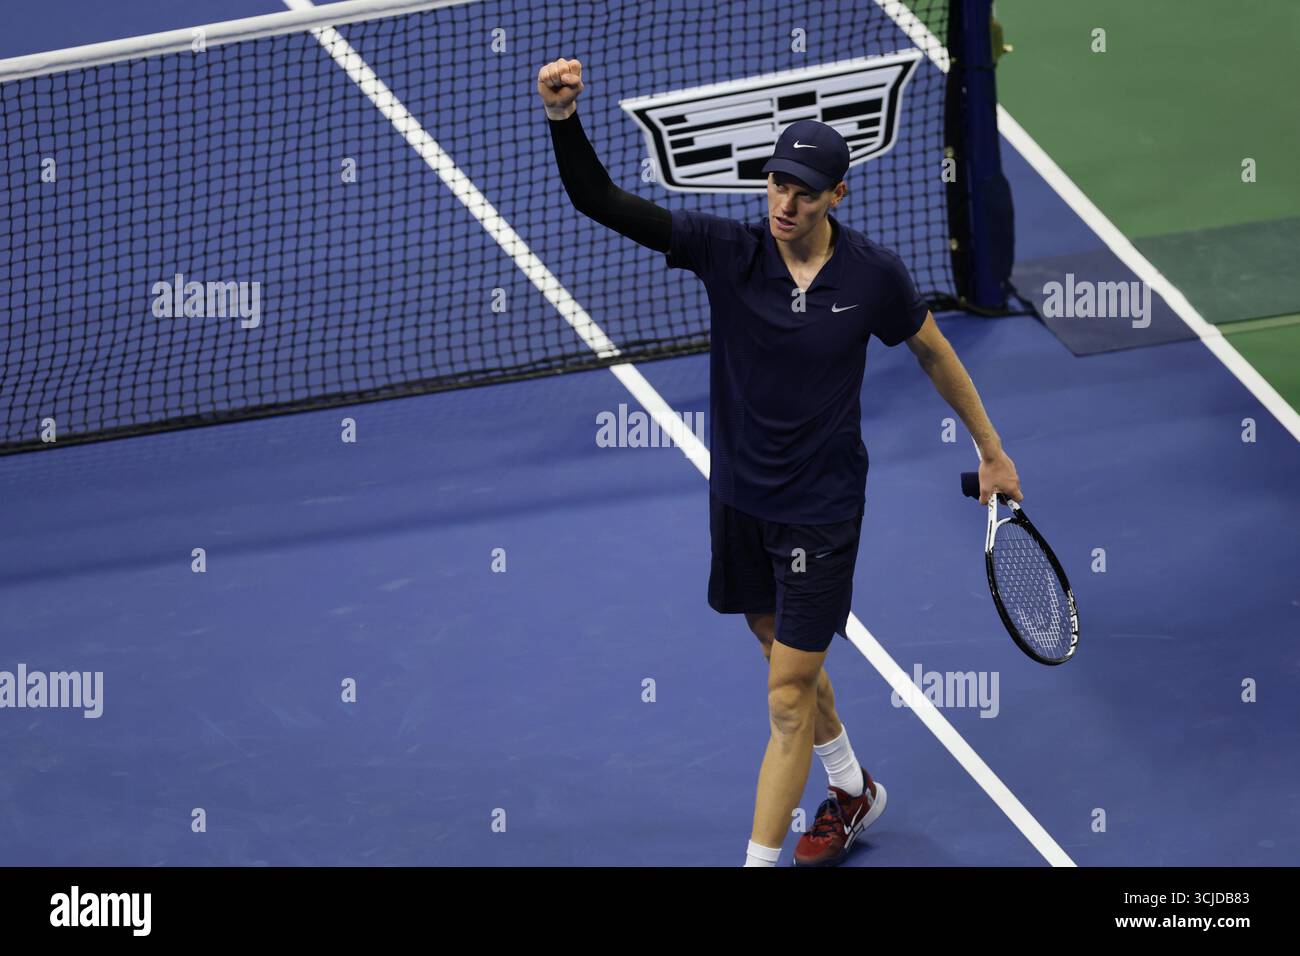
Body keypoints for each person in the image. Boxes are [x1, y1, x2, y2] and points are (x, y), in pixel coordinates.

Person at [538, 57, 1021, 867]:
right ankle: (852, 789)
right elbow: (599, 201)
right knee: (777, 649)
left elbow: (936, 354)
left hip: (821, 508)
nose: (783, 204)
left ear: (838, 195)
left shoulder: (872, 277)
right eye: (774, 186)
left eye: (802, 191)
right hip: (739, 497)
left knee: (788, 697)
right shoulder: (730, 251)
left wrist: (993, 451)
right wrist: (563, 119)